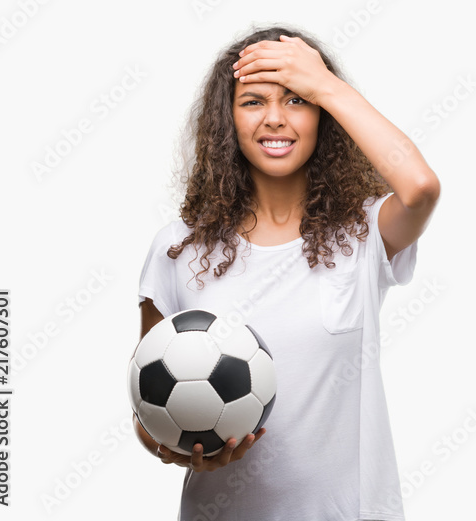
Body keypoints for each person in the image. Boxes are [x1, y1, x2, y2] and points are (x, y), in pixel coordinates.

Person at [133, 22, 440, 521]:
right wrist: (168, 448)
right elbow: (149, 406)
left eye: (297, 100)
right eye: (253, 101)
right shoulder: (179, 247)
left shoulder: (361, 234)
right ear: (228, 120)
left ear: (324, 114)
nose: (275, 119)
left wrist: (324, 83)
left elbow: (420, 187)